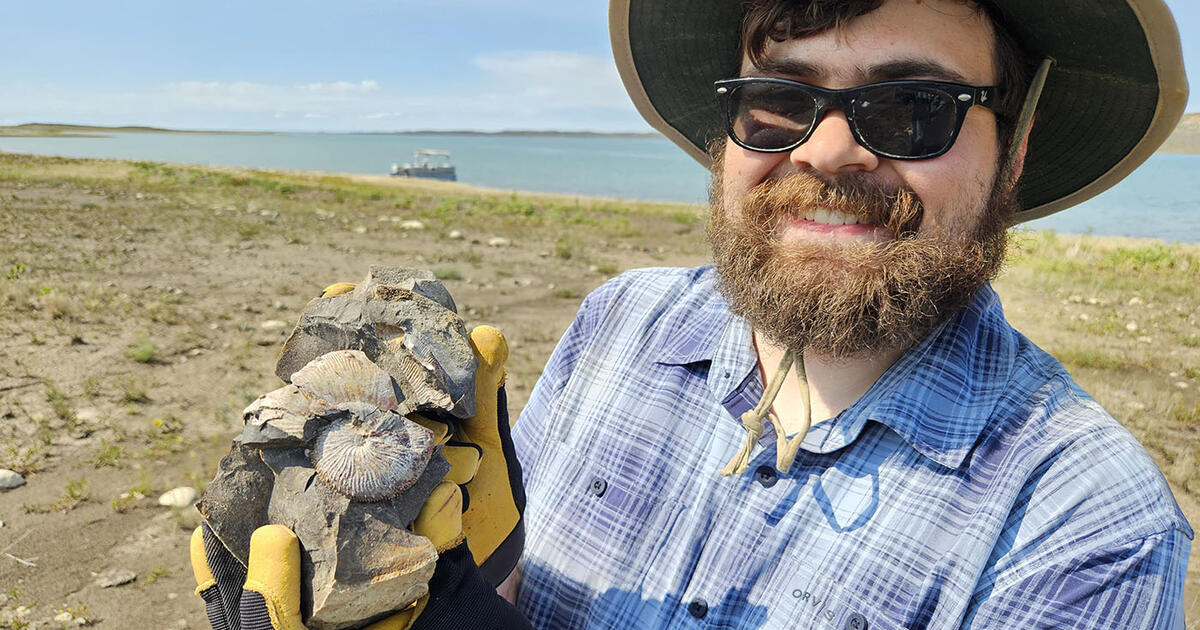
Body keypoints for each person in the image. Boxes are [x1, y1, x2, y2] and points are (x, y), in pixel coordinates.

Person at [193, 0, 1192, 628]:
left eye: (914, 108)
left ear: (1011, 153)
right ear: (731, 136)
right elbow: (506, 586)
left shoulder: (1078, 528)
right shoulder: (618, 328)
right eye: (777, 101)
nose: (829, 153)